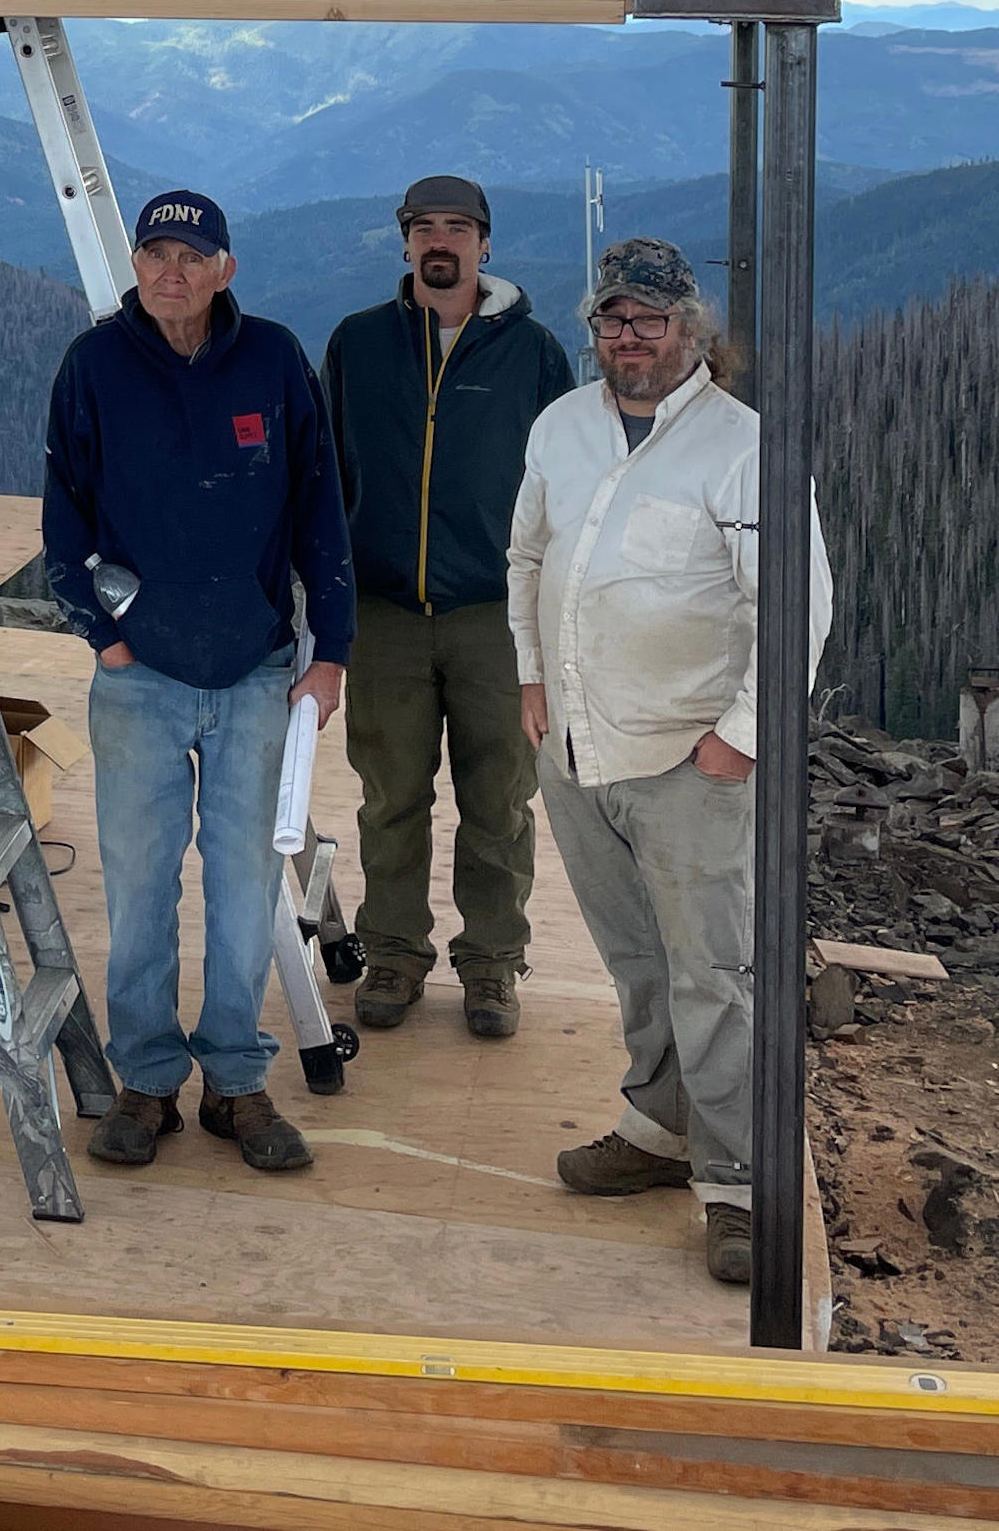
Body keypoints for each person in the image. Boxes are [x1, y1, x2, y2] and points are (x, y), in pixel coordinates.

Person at [508, 237, 833, 1288]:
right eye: (612, 319)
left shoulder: (741, 445)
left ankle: (737, 1183)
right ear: (591, 325)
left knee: (714, 973)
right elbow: (525, 558)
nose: (629, 337)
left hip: (689, 759)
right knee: (636, 960)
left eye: (650, 320)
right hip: (577, 747)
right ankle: (657, 1124)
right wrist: (529, 679)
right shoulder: (560, 428)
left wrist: (741, 734)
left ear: (691, 331)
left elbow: (795, 600)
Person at [40, 188, 354, 1178]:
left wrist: (329, 649)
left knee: (240, 887)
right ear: (135, 263)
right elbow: (63, 519)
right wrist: (106, 638)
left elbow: (318, 507)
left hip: (254, 669)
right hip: (139, 680)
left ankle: (233, 1082)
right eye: (153, 252)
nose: (169, 271)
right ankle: (143, 1082)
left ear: (225, 267)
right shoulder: (94, 365)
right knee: (137, 888)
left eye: (191, 254)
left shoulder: (270, 359)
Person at [319, 172, 575, 1040]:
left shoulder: (534, 352)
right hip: (384, 610)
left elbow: (565, 489)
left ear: (485, 244)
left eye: (456, 227)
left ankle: (492, 966)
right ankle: (392, 954)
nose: (440, 240)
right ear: (402, 242)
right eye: (422, 226)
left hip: (496, 616)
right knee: (389, 796)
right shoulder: (358, 344)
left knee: (498, 801)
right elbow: (324, 478)